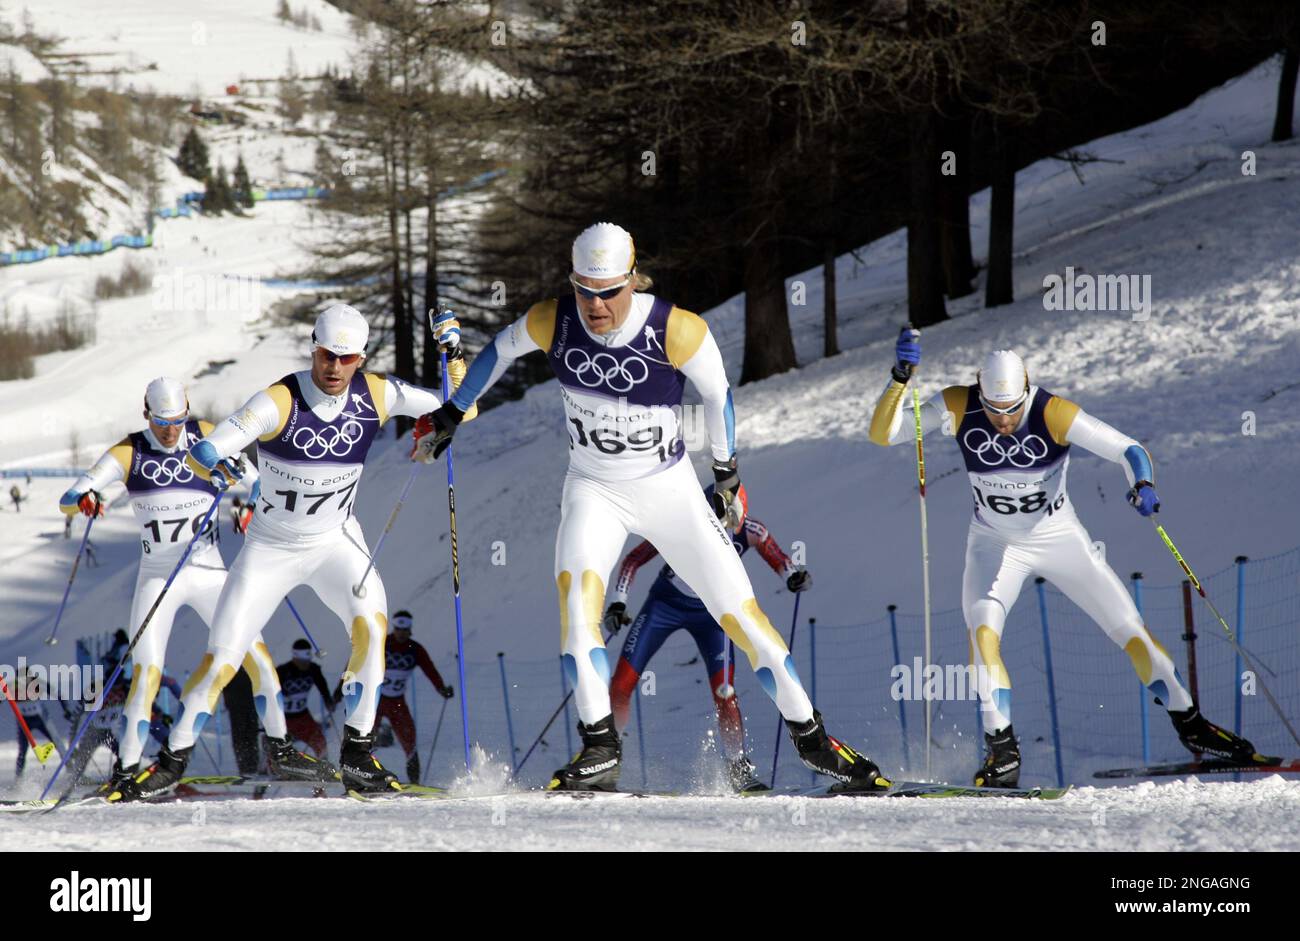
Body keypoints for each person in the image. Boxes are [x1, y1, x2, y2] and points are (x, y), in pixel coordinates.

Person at [413, 222, 884, 792]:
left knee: (742, 617)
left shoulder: (676, 329)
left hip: (669, 491)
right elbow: (498, 352)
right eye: (584, 290)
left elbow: (718, 395)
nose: (595, 305)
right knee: (576, 610)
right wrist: (451, 413)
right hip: (594, 490)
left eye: (608, 291)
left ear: (632, 281)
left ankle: (815, 741)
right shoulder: (552, 320)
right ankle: (599, 747)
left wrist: (727, 474)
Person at [868, 330, 1262, 786]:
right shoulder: (959, 404)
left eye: (1012, 409)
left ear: (1026, 390)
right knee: (982, 636)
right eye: (994, 410)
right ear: (980, 392)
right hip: (994, 544)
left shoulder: (1052, 411)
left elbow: (1128, 449)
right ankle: (1002, 752)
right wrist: (900, 378)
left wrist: (1143, 484)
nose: (1003, 420)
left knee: (1131, 631)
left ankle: (1193, 725)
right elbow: (885, 434)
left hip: (1061, 540)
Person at [112, 305, 473, 800]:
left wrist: (453, 354)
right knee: (224, 658)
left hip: (335, 542)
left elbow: (463, 407)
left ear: (361, 358)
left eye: (346, 358)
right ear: (313, 348)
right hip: (270, 548)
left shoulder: (378, 394)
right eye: (326, 355)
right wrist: (214, 463)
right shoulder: (280, 400)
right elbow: (207, 449)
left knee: (372, 627)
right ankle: (171, 763)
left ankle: (357, 754)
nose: (334, 367)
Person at [59, 377, 307, 794]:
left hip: (209, 572)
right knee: (146, 675)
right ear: (147, 415)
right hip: (158, 578)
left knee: (259, 661)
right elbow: (69, 498)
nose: (171, 431)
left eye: (177, 420)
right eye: (161, 422)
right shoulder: (129, 452)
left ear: (187, 412)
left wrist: (249, 506)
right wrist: (86, 499)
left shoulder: (206, 436)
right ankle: (127, 769)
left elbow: (259, 482)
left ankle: (282, 750)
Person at [604, 484, 811, 792]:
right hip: (665, 605)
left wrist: (793, 575)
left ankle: (738, 769)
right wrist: (618, 603)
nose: (719, 527)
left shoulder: (751, 530)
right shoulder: (680, 523)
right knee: (621, 683)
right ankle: (606, 760)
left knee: (725, 693)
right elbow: (634, 559)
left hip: (713, 613)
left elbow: (779, 558)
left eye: (728, 521)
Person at [342, 610, 452, 784]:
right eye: (398, 629)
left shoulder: (415, 649)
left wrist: (441, 688)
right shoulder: (382, 643)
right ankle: (358, 776)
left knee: (410, 743)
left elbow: (429, 669)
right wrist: (341, 687)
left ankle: (415, 783)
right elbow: (357, 660)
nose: (401, 633)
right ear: (394, 628)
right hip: (375, 700)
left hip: (397, 703)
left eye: (405, 630)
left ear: (410, 630)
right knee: (363, 738)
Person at [276, 640, 337, 758]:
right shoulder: (282, 672)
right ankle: (271, 765)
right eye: (302, 661)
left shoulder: (313, 670)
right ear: (295, 657)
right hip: (282, 719)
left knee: (320, 742)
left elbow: (323, 687)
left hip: (302, 716)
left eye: (307, 660)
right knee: (277, 747)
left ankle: (324, 764)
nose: (305, 664)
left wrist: (328, 701)